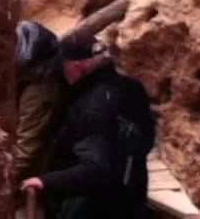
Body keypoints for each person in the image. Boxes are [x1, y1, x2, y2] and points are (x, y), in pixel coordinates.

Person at [20, 32, 155, 219]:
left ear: (75, 66)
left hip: (97, 207)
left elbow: (96, 169)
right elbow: (146, 140)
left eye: (63, 65)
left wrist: (46, 181)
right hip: (131, 196)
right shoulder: (132, 87)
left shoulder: (91, 106)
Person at [14, 20, 65, 181]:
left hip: (38, 173)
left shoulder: (40, 89)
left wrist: (3, 181)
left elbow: (27, 146)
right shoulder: (38, 74)